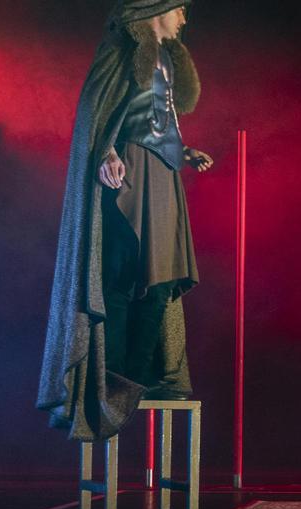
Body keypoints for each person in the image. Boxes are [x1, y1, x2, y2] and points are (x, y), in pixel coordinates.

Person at [38, 0, 211, 442]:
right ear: (158, 9)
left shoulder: (167, 58)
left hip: (163, 176)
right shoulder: (119, 50)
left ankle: (138, 375)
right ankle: (110, 372)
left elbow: (164, 121)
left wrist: (185, 153)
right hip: (129, 170)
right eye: (180, 10)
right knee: (121, 271)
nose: (184, 19)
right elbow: (99, 114)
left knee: (160, 278)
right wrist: (107, 150)